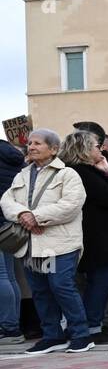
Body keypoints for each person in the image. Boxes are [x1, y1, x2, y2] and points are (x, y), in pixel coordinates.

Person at [1, 129, 91, 354]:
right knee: (40, 291)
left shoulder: (67, 174)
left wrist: (37, 216)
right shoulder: (21, 174)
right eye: (30, 143)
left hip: (60, 243)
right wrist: (22, 214)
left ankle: (81, 334)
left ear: (53, 149)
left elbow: (72, 204)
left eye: (37, 143)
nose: (31, 147)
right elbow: (7, 200)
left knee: (62, 286)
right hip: (31, 245)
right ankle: (52, 335)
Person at [61, 130, 108, 345]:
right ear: (83, 149)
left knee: (99, 283)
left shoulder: (94, 170)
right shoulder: (81, 172)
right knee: (99, 284)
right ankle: (91, 327)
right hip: (101, 238)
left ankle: (92, 325)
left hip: (103, 236)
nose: (98, 150)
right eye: (94, 146)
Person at [0, 136, 26, 343]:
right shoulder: (13, 156)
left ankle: (9, 328)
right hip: (8, 223)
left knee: (2, 277)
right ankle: (13, 326)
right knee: (8, 276)